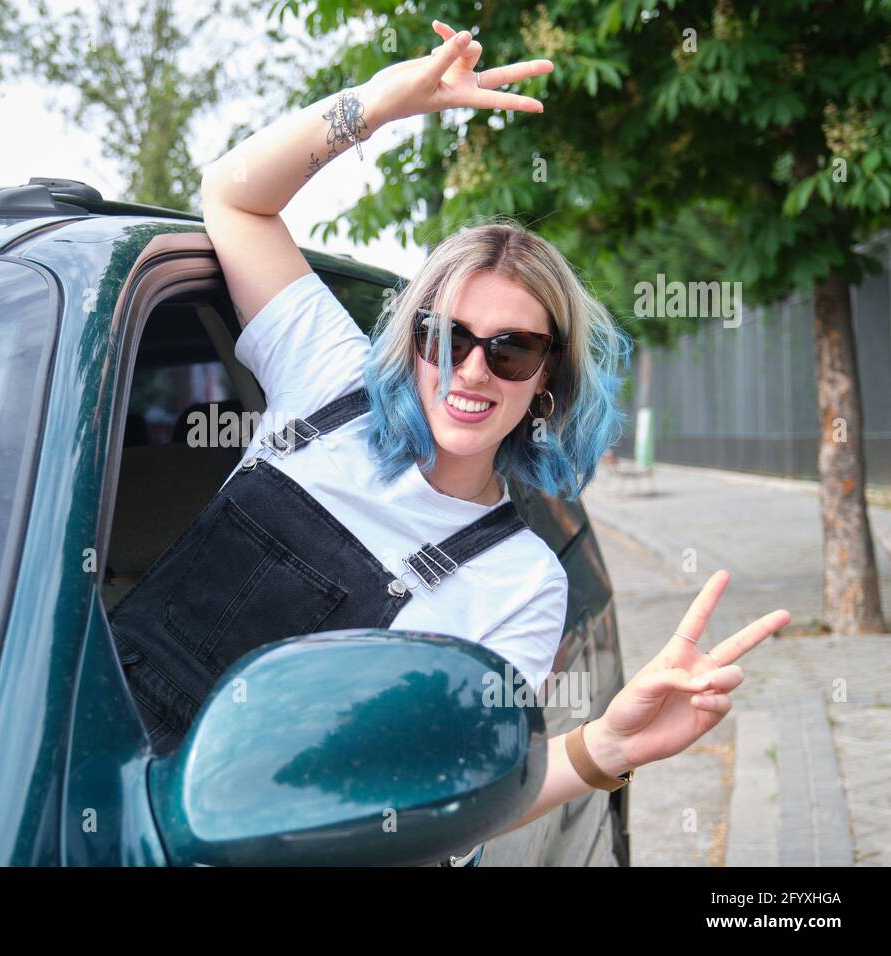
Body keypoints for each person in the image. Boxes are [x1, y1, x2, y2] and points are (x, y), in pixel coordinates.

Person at [108, 20, 790, 837]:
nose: (470, 370)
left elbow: (461, 788)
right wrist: (382, 106)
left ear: (548, 380)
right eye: (448, 336)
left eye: (512, 350)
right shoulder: (328, 381)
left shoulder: (521, 582)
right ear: (414, 338)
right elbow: (232, 194)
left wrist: (604, 747)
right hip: (80, 763)